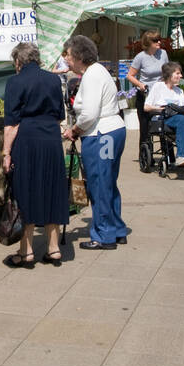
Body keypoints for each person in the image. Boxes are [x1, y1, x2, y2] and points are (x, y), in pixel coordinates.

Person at [1, 42, 69, 267]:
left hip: (27, 140)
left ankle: (26, 251)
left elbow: (11, 124)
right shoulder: (52, 79)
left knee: (25, 190)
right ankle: (53, 248)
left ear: (18, 61)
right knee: (52, 188)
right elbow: (60, 114)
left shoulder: (15, 81)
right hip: (51, 139)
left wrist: (6, 153)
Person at [62, 34, 127, 249]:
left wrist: (75, 129)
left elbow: (89, 114)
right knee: (108, 183)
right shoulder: (99, 71)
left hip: (101, 134)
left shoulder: (91, 75)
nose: (67, 60)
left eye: (69, 55)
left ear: (79, 56)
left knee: (99, 184)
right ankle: (116, 229)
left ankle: (103, 235)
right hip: (112, 131)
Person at [144, 61, 184, 168]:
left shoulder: (179, 91)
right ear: (169, 74)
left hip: (179, 118)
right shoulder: (158, 87)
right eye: (177, 73)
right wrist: (160, 108)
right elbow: (146, 107)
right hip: (163, 118)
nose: (181, 76)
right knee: (183, 119)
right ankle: (181, 156)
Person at [127, 30, 169, 148]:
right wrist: (140, 85)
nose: (159, 42)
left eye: (159, 39)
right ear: (148, 42)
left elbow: (167, 71)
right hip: (145, 94)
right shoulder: (140, 57)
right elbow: (130, 75)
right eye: (155, 40)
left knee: (165, 124)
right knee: (145, 127)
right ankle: (145, 156)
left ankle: (168, 154)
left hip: (160, 93)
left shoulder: (163, 54)